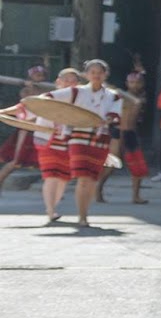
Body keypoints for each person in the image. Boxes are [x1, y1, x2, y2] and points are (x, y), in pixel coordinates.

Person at [53, 59, 123, 230]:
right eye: (92, 72)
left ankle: (84, 213)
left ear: (105, 74)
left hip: (100, 138)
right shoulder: (76, 92)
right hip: (79, 137)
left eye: (100, 72)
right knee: (84, 178)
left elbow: (114, 115)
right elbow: (49, 99)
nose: (96, 75)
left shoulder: (113, 95)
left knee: (92, 178)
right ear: (86, 75)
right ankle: (82, 217)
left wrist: (106, 120)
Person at [35, 68, 81, 223]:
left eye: (73, 80)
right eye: (66, 79)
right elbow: (28, 108)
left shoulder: (81, 100)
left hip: (69, 144)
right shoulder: (47, 98)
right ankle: (51, 210)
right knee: (51, 176)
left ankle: (53, 208)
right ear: (58, 82)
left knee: (63, 179)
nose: (69, 83)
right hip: (48, 142)